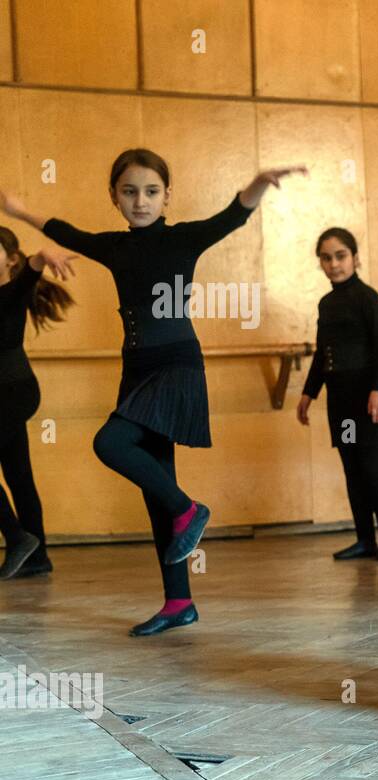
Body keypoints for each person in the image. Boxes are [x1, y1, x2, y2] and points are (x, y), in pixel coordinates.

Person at [0, 148, 307, 632]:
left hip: (176, 366)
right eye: (129, 192)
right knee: (155, 486)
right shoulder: (116, 248)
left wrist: (260, 182)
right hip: (137, 369)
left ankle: (190, 508)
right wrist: (19, 211)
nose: (140, 201)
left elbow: (233, 215)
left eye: (150, 191)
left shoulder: (185, 239)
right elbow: (66, 232)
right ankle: (178, 601)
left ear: (167, 196)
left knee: (110, 443)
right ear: (115, 198)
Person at [298, 227, 378, 561]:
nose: (334, 264)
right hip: (340, 400)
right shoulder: (326, 303)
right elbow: (321, 352)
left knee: (373, 467)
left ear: (355, 258)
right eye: (326, 258)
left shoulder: (369, 298)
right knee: (352, 470)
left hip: (368, 398)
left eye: (340, 256)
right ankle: (364, 539)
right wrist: (308, 394)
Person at [0, 231, 76, 579]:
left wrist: (43, 255)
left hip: (14, 393)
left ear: (10, 260)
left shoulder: (12, 293)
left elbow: (31, 271)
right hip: (7, 396)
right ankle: (38, 556)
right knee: (20, 477)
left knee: (20, 478)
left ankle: (17, 539)